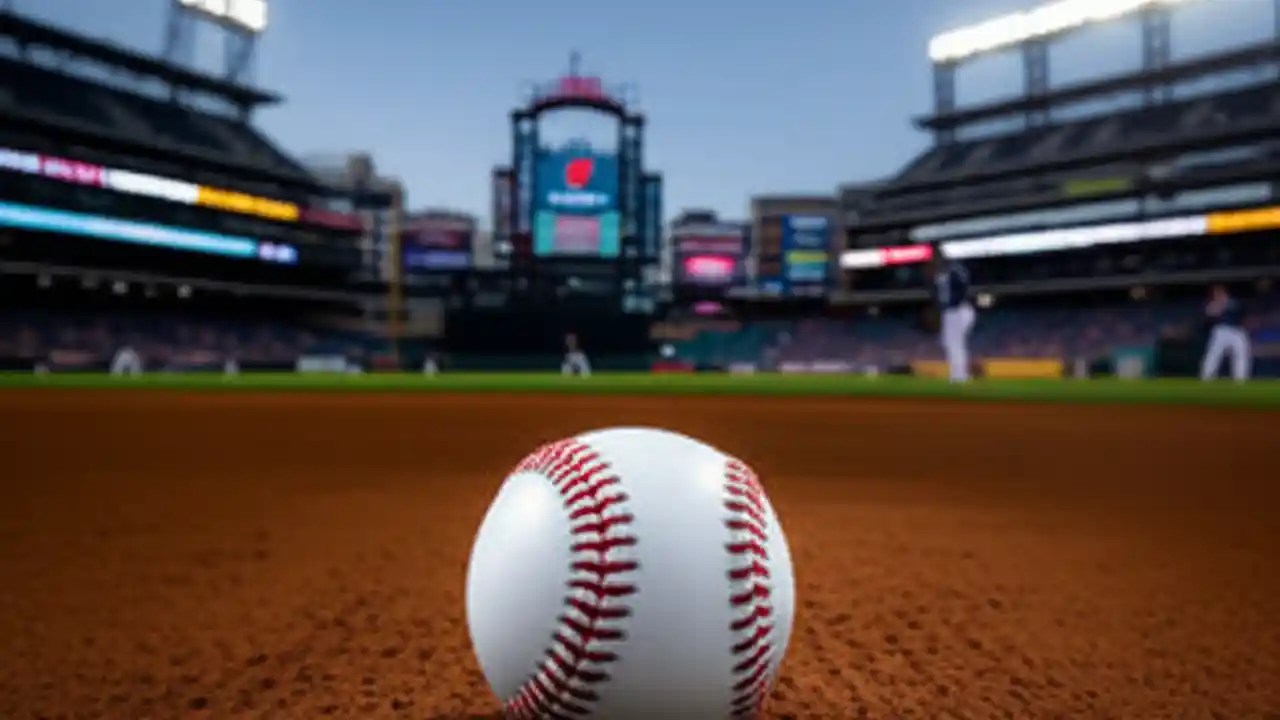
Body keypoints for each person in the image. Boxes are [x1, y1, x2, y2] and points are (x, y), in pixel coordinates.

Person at [927, 247, 976, 383]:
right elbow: (937, 294)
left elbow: (963, 285)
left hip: (958, 309)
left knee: (955, 344)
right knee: (950, 343)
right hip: (950, 311)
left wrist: (954, 301)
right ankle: (958, 374)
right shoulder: (939, 273)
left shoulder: (954, 270)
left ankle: (960, 376)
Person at [1199, 284, 1251, 382]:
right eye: (1216, 292)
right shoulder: (1210, 304)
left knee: (1241, 354)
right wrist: (1214, 309)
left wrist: (1223, 305)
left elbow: (1242, 311)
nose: (1218, 294)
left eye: (1220, 292)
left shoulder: (1233, 302)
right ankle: (1206, 378)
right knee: (1213, 355)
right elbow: (1206, 316)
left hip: (1237, 331)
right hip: (1221, 330)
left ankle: (1241, 380)